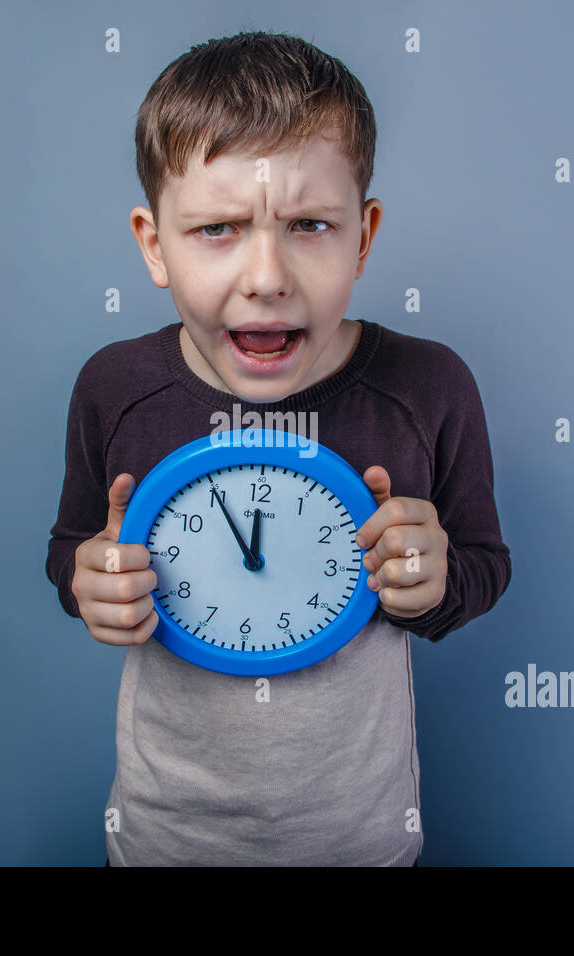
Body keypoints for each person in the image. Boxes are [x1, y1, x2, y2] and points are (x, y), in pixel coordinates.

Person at [46, 30, 512, 866]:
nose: (267, 275)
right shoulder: (115, 389)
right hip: (163, 837)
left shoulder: (427, 388)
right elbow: (69, 552)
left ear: (362, 236)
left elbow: (483, 562)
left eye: (308, 224)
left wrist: (435, 583)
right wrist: (89, 583)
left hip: (362, 840)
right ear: (155, 244)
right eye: (218, 228)